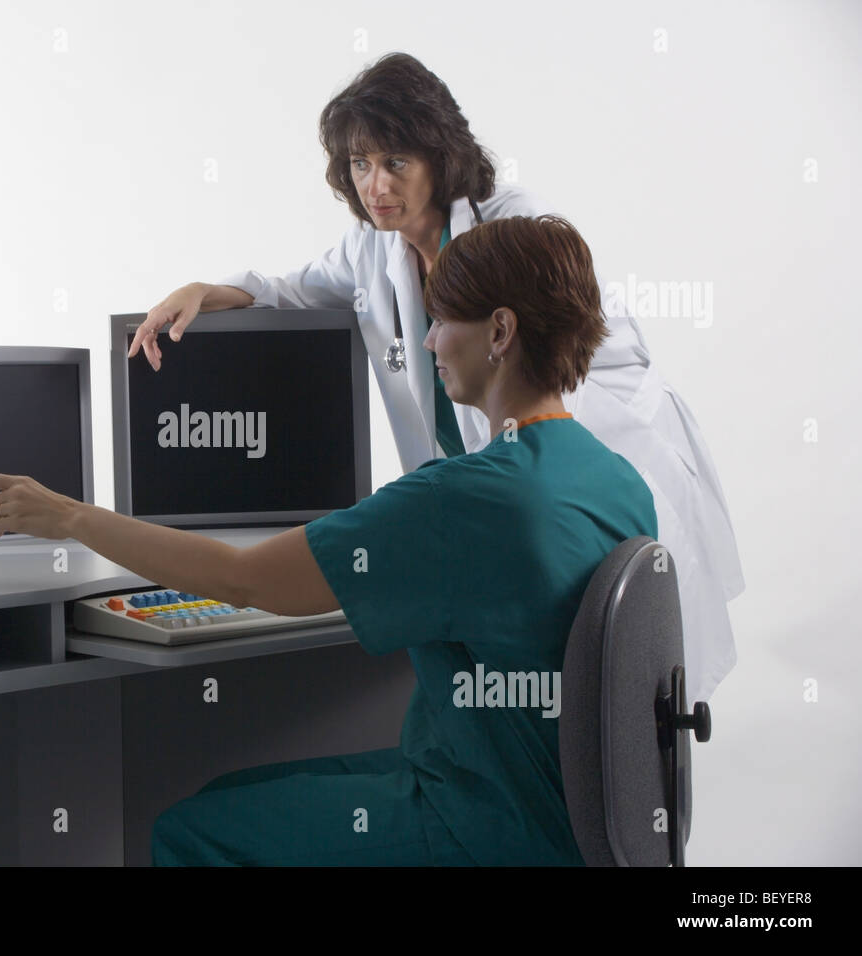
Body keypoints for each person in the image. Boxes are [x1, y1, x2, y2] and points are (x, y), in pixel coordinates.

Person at [0, 214, 658, 866]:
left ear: (499, 332)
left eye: (443, 321)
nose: (428, 341)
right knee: (234, 793)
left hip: (479, 824)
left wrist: (76, 518)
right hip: (571, 822)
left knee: (187, 830)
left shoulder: (467, 496)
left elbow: (244, 579)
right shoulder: (616, 479)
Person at [129, 51, 741, 704]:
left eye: (395, 161)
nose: (375, 185)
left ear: (438, 154)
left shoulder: (512, 228)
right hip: (512, 496)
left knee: (625, 690)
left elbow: (555, 383)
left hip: (603, 455)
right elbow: (288, 291)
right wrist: (202, 291)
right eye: (360, 165)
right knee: (558, 690)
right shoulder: (372, 248)